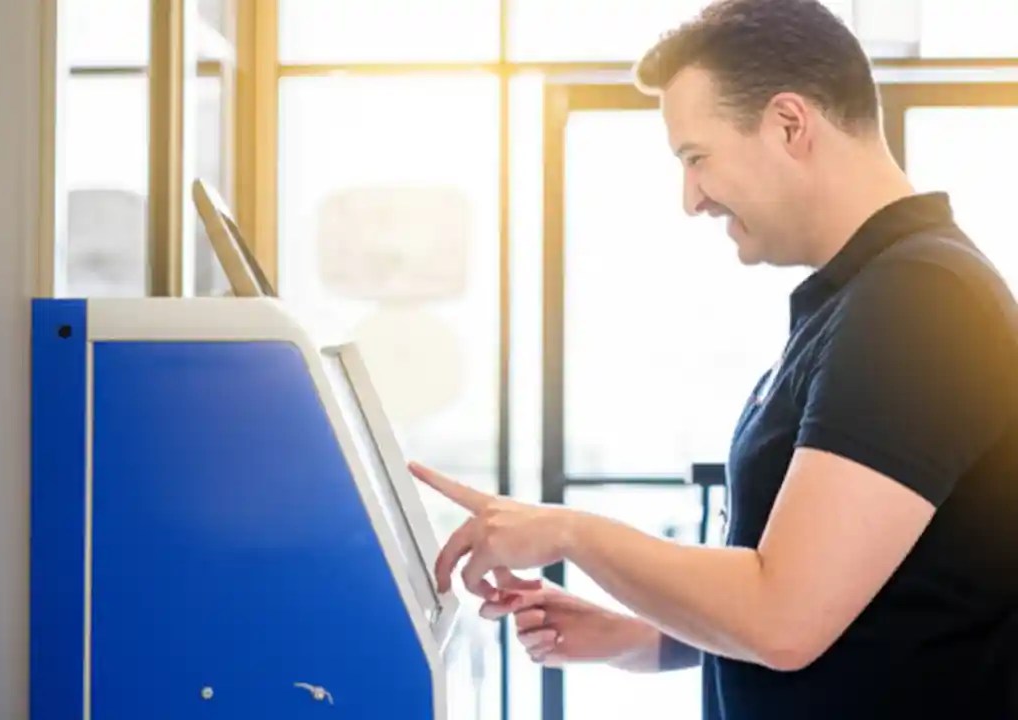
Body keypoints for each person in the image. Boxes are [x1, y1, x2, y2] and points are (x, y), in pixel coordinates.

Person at [409, 1, 1018, 717]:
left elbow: (783, 619)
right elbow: (867, 593)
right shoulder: (860, 299)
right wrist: (641, 637)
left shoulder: (918, 301)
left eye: (697, 158)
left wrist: (570, 530)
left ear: (791, 125)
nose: (691, 198)